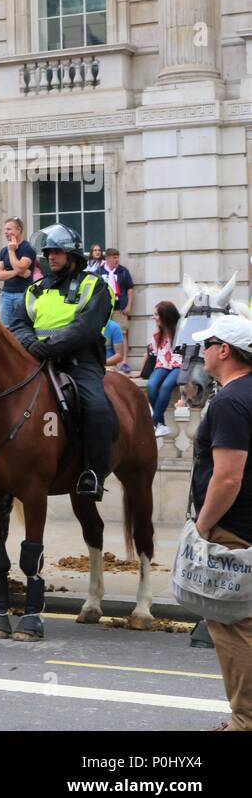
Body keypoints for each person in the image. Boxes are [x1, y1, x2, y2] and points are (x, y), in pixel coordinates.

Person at [10, 223, 115, 501]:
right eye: (48, 253)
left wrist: (49, 348)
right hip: (35, 361)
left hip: (78, 362)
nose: (51, 257)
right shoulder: (35, 289)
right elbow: (18, 324)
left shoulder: (95, 286)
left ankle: (94, 473)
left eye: (57, 252)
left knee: (97, 407)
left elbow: (86, 327)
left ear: (73, 255)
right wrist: (31, 345)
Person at [188, 314, 252, 731]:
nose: (201, 353)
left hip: (234, 529)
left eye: (206, 345)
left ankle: (245, 720)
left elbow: (228, 477)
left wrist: (202, 528)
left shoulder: (229, 401)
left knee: (234, 627)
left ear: (224, 350)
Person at [145, 301, 184, 436]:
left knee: (166, 386)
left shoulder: (181, 331)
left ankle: (154, 422)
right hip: (162, 364)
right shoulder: (158, 334)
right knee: (151, 385)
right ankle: (160, 423)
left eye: (157, 314)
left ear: (165, 316)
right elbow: (152, 353)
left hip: (179, 365)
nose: (154, 317)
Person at [0, 216, 37, 329]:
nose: (6, 232)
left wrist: (11, 251)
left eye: (9, 229)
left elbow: (19, 267)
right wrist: (18, 272)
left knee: (22, 327)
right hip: (6, 295)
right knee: (5, 328)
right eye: (5, 230)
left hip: (22, 294)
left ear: (19, 229)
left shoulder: (28, 249)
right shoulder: (3, 251)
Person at [101, 248, 135, 364]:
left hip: (119, 307)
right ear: (107, 259)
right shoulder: (99, 271)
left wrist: (129, 305)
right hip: (104, 308)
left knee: (122, 333)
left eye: (118, 257)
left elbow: (130, 288)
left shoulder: (123, 271)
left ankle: (124, 361)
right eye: (114, 258)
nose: (117, 260)